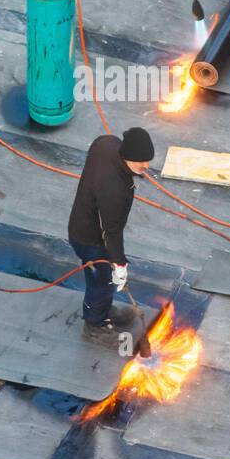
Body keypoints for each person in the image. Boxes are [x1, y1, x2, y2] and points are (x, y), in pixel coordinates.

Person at [67, 127, 154, 347]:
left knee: (103, 279)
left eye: (148, 160)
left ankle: (103, 309)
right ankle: (94, 326)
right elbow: (111, 232)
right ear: (126, 157)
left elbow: (101, 142)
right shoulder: (114, 189)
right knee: (101, 281)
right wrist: (120, 264)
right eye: (141, 162)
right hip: (89, 238)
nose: (146, 166)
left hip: (84, 220)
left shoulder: (106, 144)